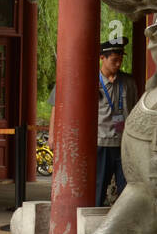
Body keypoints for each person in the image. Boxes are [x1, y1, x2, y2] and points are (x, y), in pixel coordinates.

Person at [48, 39, 138, 206]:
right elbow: (57, 105)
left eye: (120, 60)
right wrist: (53, 135)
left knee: (128, 188)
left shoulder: (128, 83)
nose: (118, 64)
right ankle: (92, 222)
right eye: (114, 60)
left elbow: (134, 110)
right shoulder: (87, 79)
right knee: (97, 186)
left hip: (124, 143)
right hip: (100, 142)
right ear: (102, 58)